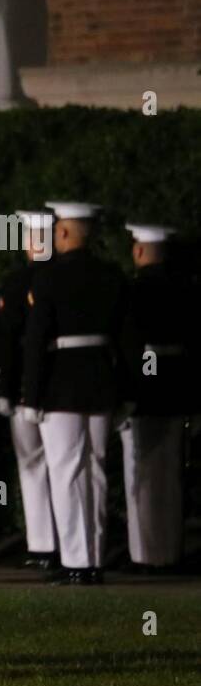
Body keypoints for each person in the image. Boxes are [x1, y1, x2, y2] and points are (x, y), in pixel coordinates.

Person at [20, 200, 128, 585]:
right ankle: (94, 558)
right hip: (100, 381)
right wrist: (124, 391)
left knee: (65, 472)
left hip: (60, 384)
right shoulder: (112, 275)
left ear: (63, 233)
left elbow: (35, 342)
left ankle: (75, 560)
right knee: (94, 469)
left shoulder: (47, 277)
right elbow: (126, 340)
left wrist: (30, 396)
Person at [119, 223, 193, 574]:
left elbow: (131, 348)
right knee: (172, 475)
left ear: (139, 251)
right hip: (177, 388)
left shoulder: (134, 291)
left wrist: (130, 392)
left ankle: (146, 555)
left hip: (147, 391)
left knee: (143, 476)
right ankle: (170, 552)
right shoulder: (185, 290)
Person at [0, 210, 57, 572]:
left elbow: (8, 340)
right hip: (65, 385)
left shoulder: (18, 281)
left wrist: (5, 386)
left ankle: (42, 543)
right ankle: (69, 543)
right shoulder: (63, 278)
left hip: (25, 385)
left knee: (33, 466)